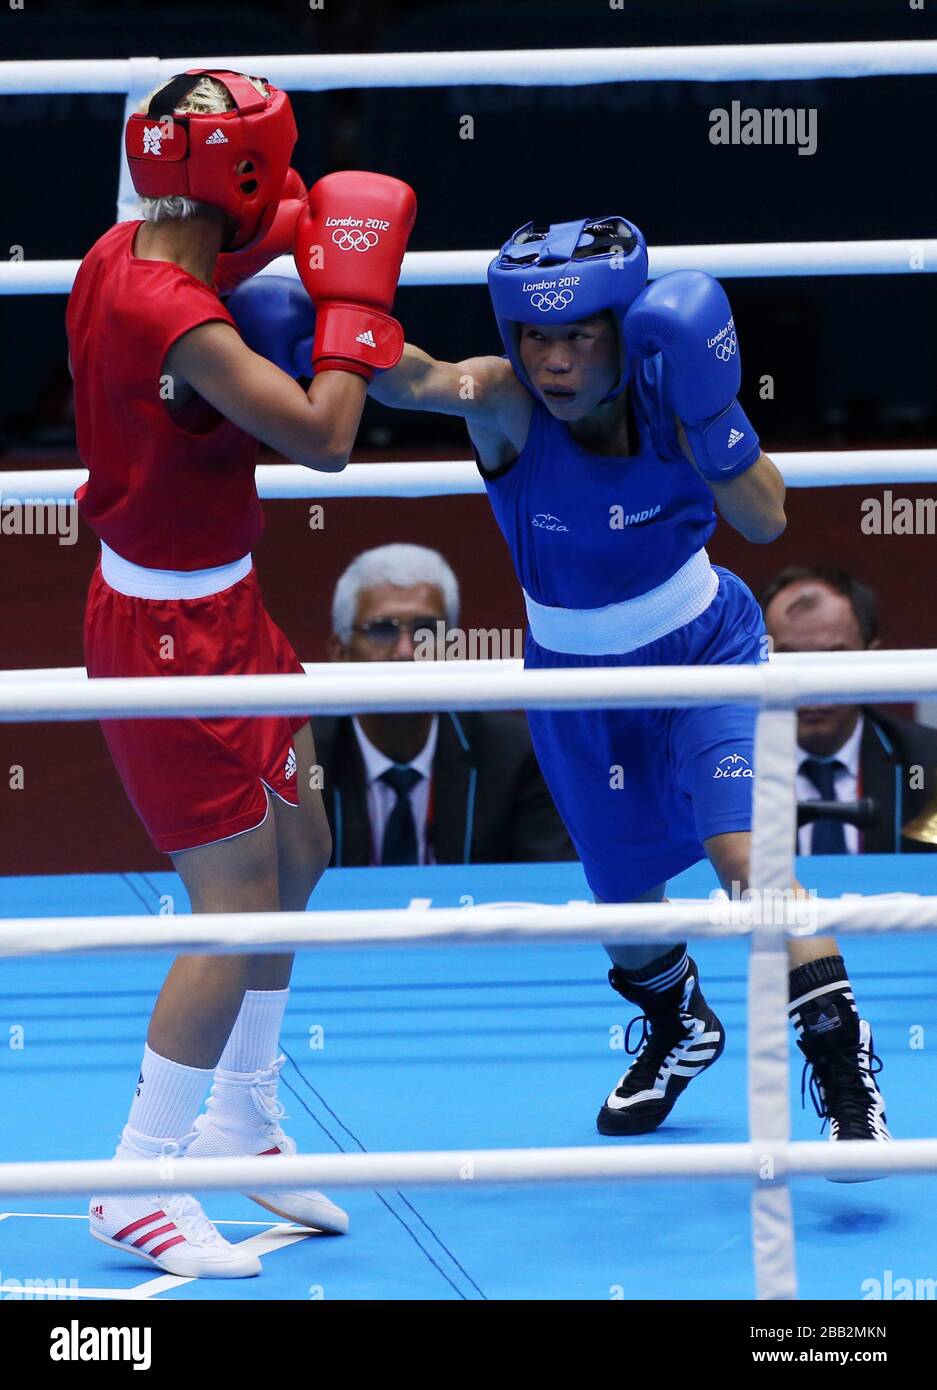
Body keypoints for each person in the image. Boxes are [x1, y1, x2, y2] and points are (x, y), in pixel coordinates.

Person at [226, 216, 891, 1154]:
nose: (555, 360)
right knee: (624, 905)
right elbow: (414, 378)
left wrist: (713, 418)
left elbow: (770, 519)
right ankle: (678, 1025)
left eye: (579, 334)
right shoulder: (503, 402)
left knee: (750, 862)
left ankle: (842, 1072)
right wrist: (323, 326)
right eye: (537, 335)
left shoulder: (676, 396)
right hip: (574, 682)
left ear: (628, 330)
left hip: (705, 654)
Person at [66, 68, 415, 1277]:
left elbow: (258, 233)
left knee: (304, 846)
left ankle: (244, 1122)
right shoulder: (174, 316)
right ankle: (137, 1177)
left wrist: (303, 242)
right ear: (245, 167)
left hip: (230, 607)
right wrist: (357, 305)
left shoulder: (120, 248)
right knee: (235, 904)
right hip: (163, 639)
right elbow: (322, 438)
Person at [317, 543, 576, 865]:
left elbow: (543, 894)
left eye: (426, 631)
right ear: (339, 653)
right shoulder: (306, 760)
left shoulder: (519, 755)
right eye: (382, 629)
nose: (405, 650)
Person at [763, 565, 937, 853]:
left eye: (833, 660)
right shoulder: (724, 767)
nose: (813, 688)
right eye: (789, 661)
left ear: (871, 659)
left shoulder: (929, 762)